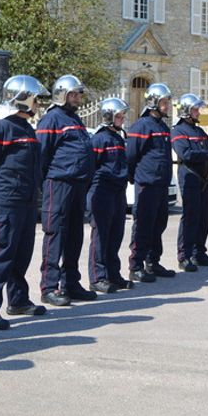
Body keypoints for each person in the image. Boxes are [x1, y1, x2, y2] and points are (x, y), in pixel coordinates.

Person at [0, 75, 49, 330]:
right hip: (5, 200)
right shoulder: (1, 127)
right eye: (35, 99)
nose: (37, 104)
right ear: (23, 99)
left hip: (25, 200)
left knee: (21, 253)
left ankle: (17, 300)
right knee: (1, 253)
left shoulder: (26, 127)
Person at [36, 74, 96, 306]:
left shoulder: (76, 119)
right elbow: (41, 155)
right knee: (55, 234)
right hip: (58, 183)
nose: (77, 98)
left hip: (78, 185)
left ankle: (70, 282)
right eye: (73, 94)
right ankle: (49, 286)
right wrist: (46, 183)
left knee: (74, 235)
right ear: (62, 94)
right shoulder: (51, 119)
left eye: (78, 94)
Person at [127, 82, 176, 283]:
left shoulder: (163, 127)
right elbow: (131, 155)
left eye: (168, 102)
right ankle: (136, 265)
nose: (167, 106)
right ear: (154, 102)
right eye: (164, 102)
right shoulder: (141, 126)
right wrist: (133, 178)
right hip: (146, 184)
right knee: (143, 226)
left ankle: (153, 261)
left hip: (161, 184)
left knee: (159, 224)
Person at [171, 94, 208, 272]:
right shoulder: (178, 131)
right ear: (186, 111)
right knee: (190, 218)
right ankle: (184, 256)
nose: (198, 112)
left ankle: (199, 252)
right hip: (189, 178)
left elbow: (207, 149)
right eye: (195, 109)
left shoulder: (200, 131)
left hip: (204, 179)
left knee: (203, 218)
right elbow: (186, 154)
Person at [86, 98, 131, 293]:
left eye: (122, 116)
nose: (122, 119)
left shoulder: (119, 138)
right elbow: (91, 167)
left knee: (116, 235)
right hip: (102, 191)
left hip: (118, 192)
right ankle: (98, 277)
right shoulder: (99, 139)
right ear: (109, 117)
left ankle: (113, 274)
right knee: (101, 236)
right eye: (119, 116)